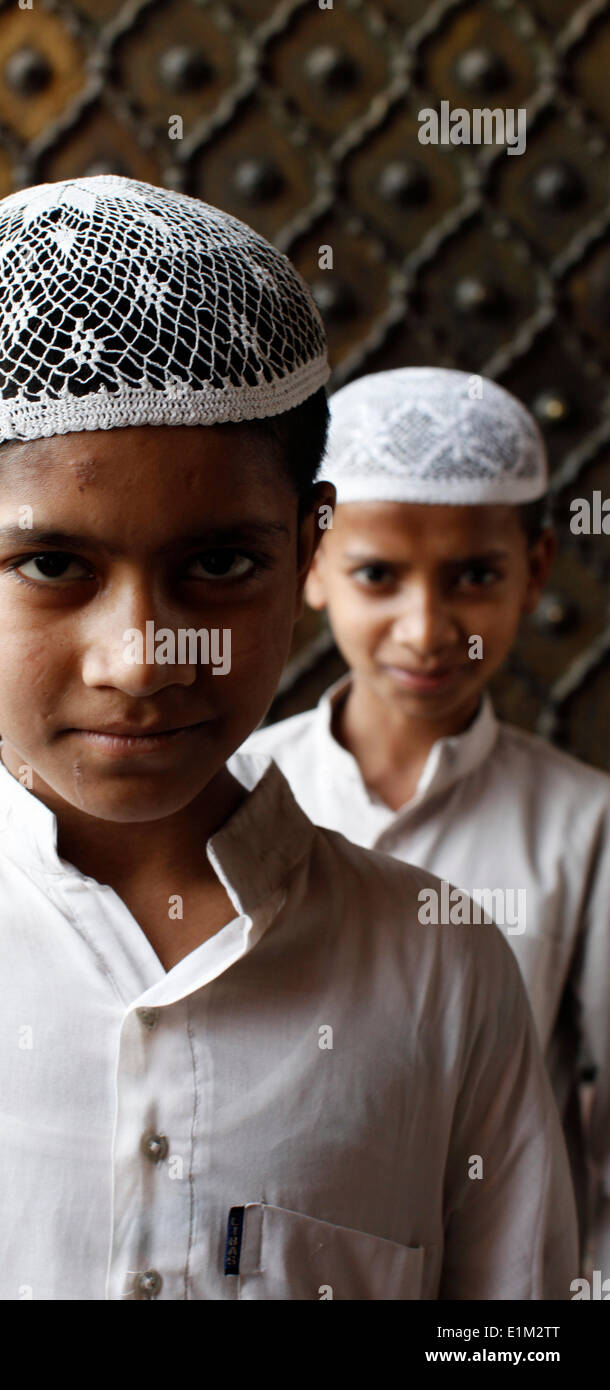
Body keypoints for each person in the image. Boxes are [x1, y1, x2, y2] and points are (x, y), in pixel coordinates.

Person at [0, 182, 577, 1300]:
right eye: (53, 565)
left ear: (306, 549)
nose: (141, 659)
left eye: (219, 564)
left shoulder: (446, 973)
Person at [240, 365, 610, 1272]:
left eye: (474, 576)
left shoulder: (587, 826)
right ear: (312, 565)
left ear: (536, 572)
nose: (427, 628)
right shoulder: (237, 789)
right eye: (378, 575)